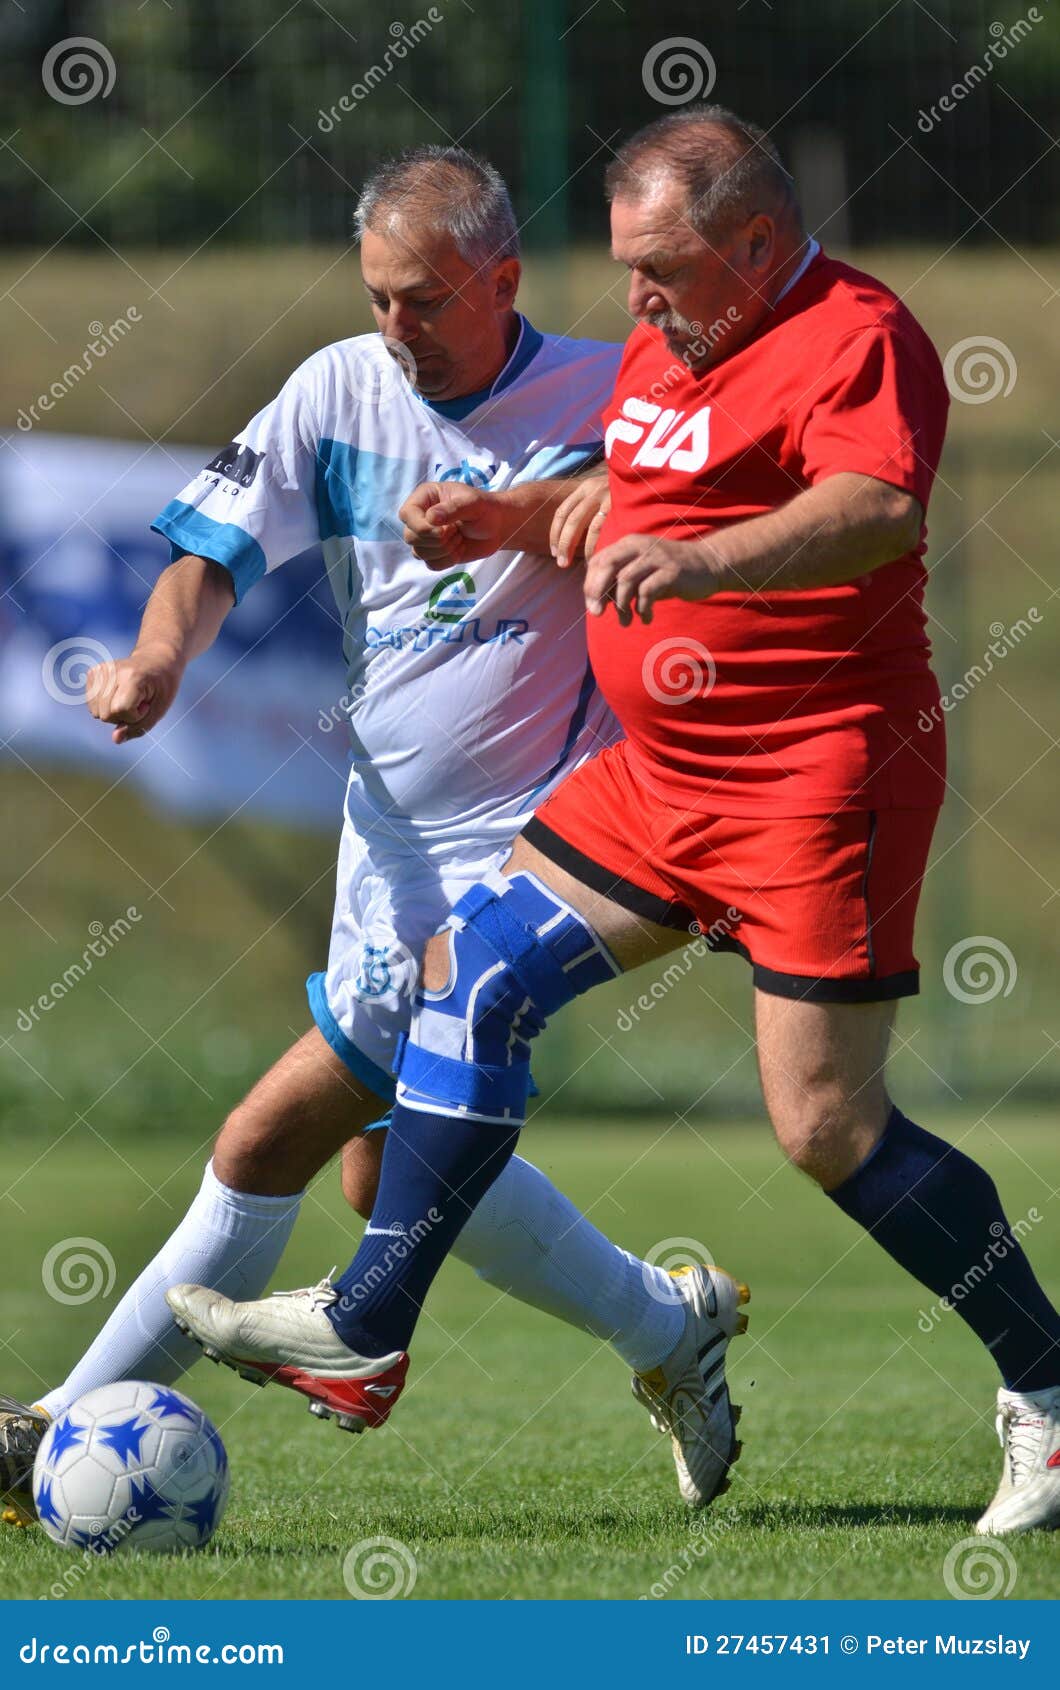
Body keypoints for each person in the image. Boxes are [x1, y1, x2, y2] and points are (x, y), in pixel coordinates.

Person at [171, 108, 1060, 1536]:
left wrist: (701, 560)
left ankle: (1051, 1386)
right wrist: (513, 523)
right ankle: (370, 1322)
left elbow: (875, 508)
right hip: (662, 775)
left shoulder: (857, 334)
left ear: (759, 244)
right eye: (629, 267)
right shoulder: (673, 339)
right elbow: (624, 502)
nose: (635, 297)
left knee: (826, 1123)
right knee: (472, 970)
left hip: (814, 773)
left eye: (665, 267)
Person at [0, 145, 748, 1529]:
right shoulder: (337, 390)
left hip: (536, 843)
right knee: (381, 1164)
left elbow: (705, 524)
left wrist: (546, 520)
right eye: (377, 296)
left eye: (421, 299)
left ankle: (42, 1433)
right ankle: (667, 1327)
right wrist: (159, 661)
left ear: (502, 278)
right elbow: (209, 549)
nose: (392, 325)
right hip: (384, 840)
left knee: (268, 1132)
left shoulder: (609, 393)